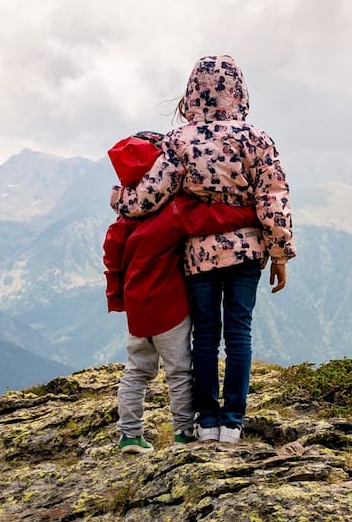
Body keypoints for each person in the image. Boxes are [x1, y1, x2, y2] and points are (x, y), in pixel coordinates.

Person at [111, 55, 294, 445]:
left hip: (198, 256)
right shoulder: (257, 140)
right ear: (239, 91)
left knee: (206, 337)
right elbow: (273, 198)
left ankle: (207, 420)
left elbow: (150, 195)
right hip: (247, 253)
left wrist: (119, 199)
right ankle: (233, 423)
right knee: (240, 333)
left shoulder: (179, 141)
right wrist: (279, 254)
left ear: (193, 91)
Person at [103, 130, 258, 453]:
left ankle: (130, 435)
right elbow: (212, 216)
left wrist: (117, 299)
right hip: (170, 310)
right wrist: (251, 213)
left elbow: (112, 263)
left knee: (136, 372)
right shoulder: (172, 212)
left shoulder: (121, 221)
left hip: (137, 313)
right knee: (178, 373)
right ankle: (184, 433)